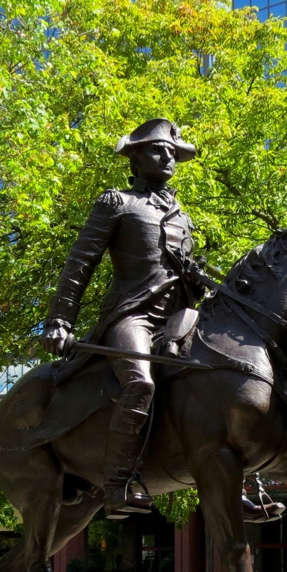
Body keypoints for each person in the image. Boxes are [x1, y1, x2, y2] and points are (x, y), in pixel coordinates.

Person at [40, 119, 205, 518]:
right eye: (155, 149)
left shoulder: (183, 216)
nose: (166, 156)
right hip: (133, 316)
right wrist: (59, 320)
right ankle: (117, 485)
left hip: (180, 319)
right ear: (134, 159)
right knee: (140, 384)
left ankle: (241, 483)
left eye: (171, 152)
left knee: (229, 375)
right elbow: (82, 262)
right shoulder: (117, 202)